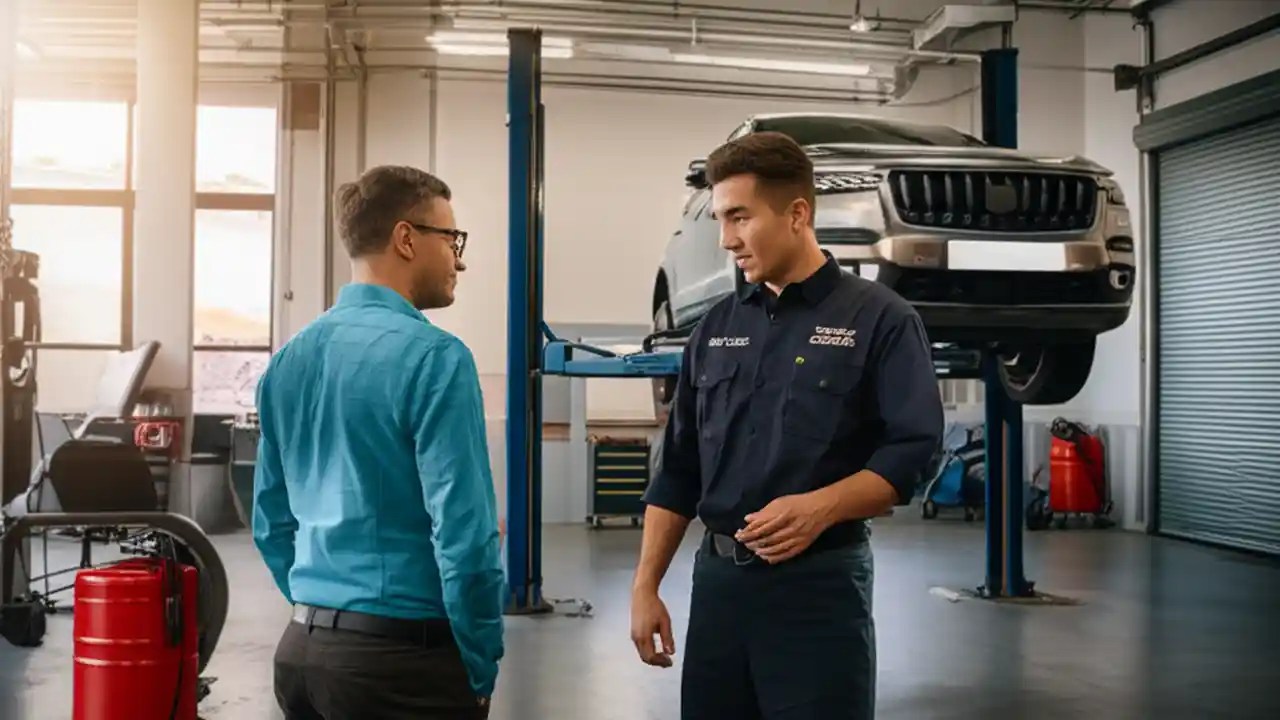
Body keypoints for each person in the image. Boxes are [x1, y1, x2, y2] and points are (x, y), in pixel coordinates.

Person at [630, 132, 944, 719]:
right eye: (722, 220)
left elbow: (914, 451)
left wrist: (821, 507)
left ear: (797, 214)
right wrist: (646, 586)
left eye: (740, 218)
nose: (727, 240)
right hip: (720, 588)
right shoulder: (715, 329)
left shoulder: (881, 319)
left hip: (820, 590)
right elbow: (678, 469)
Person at [253, 165, 505, 720]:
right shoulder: (437, 358)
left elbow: (271, 524)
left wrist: (316, 609)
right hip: (399, 668)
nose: (459, 259)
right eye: (451, 239)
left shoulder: (287, 362)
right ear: (406, 238)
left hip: (302, 658)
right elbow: (465, 539)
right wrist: (480, 661)